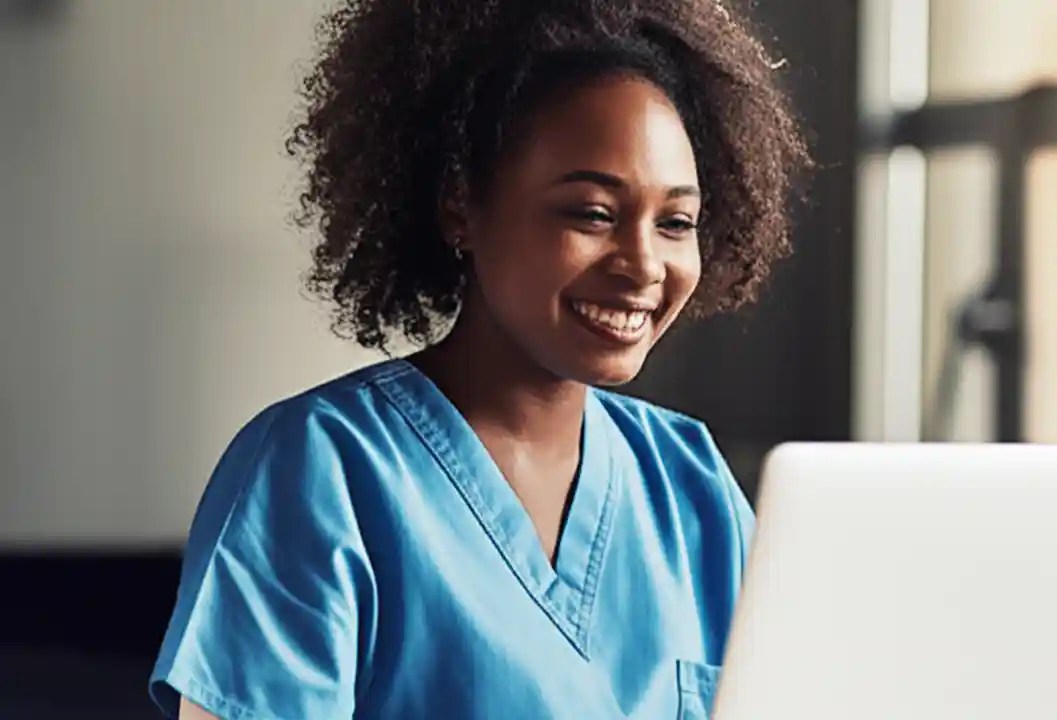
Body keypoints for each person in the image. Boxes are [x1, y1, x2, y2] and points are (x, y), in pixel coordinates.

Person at [149, 0, 809, 717]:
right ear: (462, 205)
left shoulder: (692, 485)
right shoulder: (320, 471)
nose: (643, 263)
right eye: (591, 212)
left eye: (675, 222)